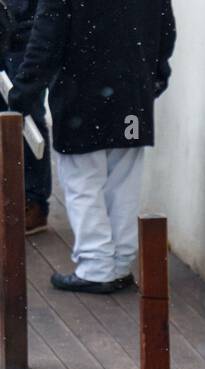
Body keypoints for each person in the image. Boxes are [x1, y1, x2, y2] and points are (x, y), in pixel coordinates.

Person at [8, 0, 176, 293]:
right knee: (124, 178)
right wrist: (155, 77)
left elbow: (46, 39)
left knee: (82, 179)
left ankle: (96, 266)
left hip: (82, 98)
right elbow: (165, 30)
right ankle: (120, 264)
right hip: (132, 101)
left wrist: (23, 92)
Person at [0, 1, 52, 234]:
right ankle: (9, 199)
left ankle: (34, 202)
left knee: (28, 119)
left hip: (24, 37)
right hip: (10, 30)